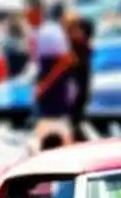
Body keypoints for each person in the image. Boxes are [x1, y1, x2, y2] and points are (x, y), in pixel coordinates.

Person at [27, 0, 76, 151]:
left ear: (38, 13)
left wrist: (45, 85)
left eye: (30, 13)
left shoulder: (50, 32)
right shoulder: (37, 31)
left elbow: (66, 60)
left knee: (55, 127)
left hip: (55, 90)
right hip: (46, 86)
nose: (27, 17)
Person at [67, 14, 94, 141]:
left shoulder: (81, 50)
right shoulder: (75, 48)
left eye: (76, 29)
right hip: (75, 99)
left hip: (77, 98)